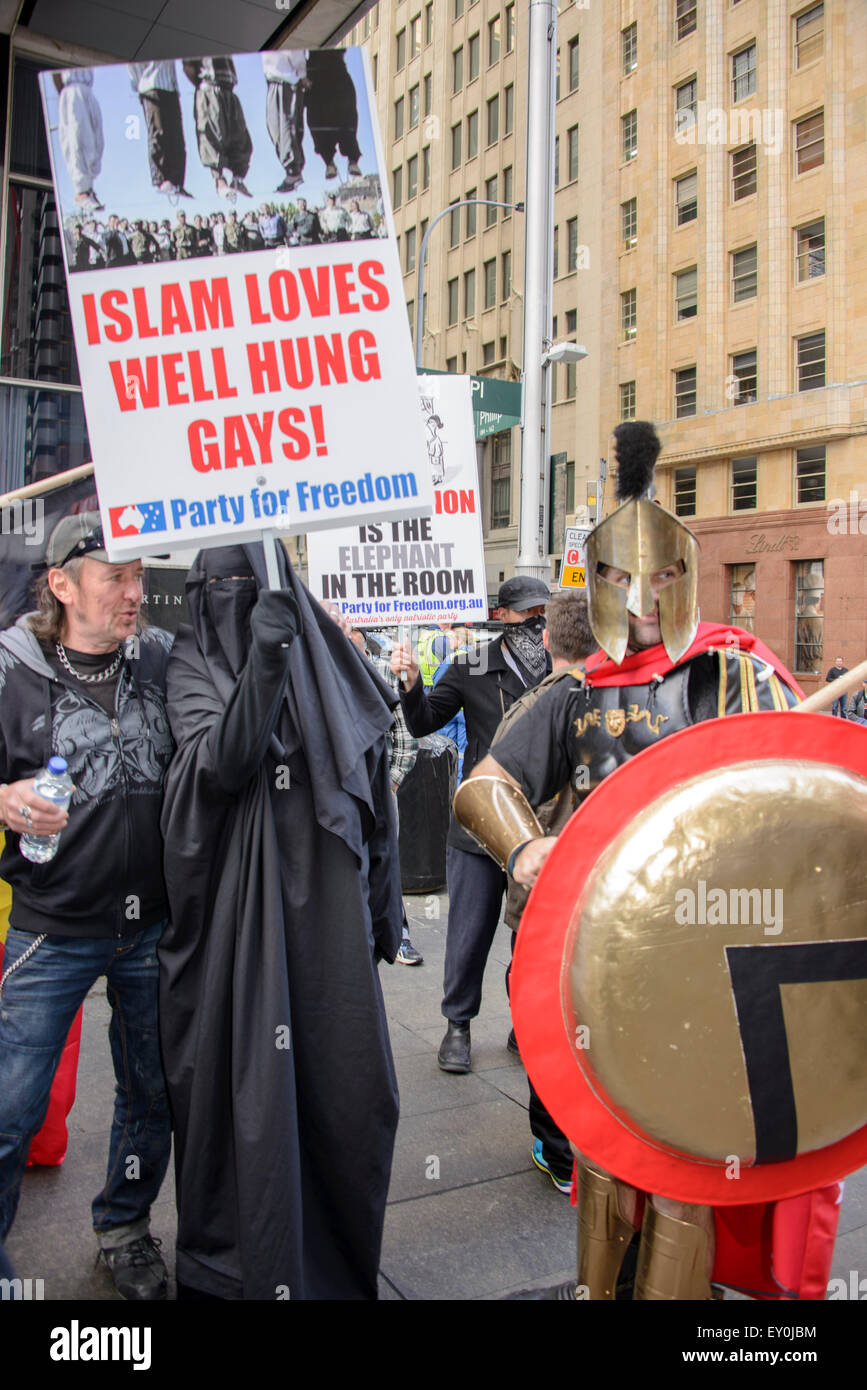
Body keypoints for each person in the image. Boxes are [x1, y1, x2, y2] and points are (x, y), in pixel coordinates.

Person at [457, 422, 839, 1301]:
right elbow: (482, 787)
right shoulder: (574, 692)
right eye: (621, 578)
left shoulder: (736, 676)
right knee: (604, 1154)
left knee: (684, 1157)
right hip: (605, 959)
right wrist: (524, 846)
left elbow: (803, 817)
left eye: (660, 575)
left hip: (713, 959)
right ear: (595, 584)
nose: (640, 596)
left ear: (684, 575)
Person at [159, 545, 402, 1299]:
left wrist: (383, 909)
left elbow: (373, 778)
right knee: (251, 1102)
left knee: (345, 1091)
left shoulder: (324, 652)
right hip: (237, 929)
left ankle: (332, 1267)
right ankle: (239, 1270)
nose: (234, 600)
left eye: (249, 585)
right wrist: (264, 659)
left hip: (329, 924)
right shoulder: (191, 661)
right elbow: (223, 762)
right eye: (222, 589)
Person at [0, 512, 174, 1300]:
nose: (135, 592)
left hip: (155, 926)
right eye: (116, 577)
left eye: (139, 576)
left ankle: (125, 1230)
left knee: (151, 1091)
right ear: (62, 585)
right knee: (11, 1105)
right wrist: (3, 798)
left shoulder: (162, 660)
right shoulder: (10, 671)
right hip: (52, 927)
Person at [391, 576, 551, 1072]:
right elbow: (424, 722)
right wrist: (412, 684)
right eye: (527, 612)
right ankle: (457, 1025)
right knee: (468, 932)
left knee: (534, 937)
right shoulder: (471, 664)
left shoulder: (561, 666)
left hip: (540, 826)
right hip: (480, 824)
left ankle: (526, 1024)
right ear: (501, 616)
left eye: (541, 612)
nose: (536, 622)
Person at [489, 591, 595, 1195]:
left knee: (547, 1025)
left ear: (549, 640)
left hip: (546, 904)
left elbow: (493, 797)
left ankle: (559, 1153)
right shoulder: (627, 700)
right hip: (606, 902)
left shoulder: (537, 707)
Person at [350, 629, 424, 967]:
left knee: (385, 863)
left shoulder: (382, 674)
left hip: (379, 790)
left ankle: (398, 933)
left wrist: (390, 784)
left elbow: (406, 737)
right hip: (341, 793)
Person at [182, 57, 252, 201]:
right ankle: (220, 181)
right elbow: (188, 65)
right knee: (212, 137)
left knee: (240, 136)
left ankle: (237, 180)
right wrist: (202, 86)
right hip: (209, 87)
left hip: (228, 87)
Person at [127, 60, 190, 200]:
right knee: (158, 134)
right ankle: (161, 179)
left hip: (170, 88)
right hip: (151, 85)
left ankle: (175, 182)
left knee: (177, 139)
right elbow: (131, 65)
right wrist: (141, 85)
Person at [305, 50, 362, 180]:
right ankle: (329, 162)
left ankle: (352, 159)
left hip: (337, 70)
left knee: (347, 116)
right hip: (315, 74)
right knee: (317, 120)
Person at [52, 69, 104, 213]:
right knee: (79, 139)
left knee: (96, 141)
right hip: (72, 87)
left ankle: (89, 189)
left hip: (87, 88)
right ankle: (81, 191)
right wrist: (65, 93)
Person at [261, 51, 308, 193]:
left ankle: (294, 171)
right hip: (273, 82)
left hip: (286, 82)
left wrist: (302, 75)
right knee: (274, 128)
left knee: (286, 128)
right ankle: (293, 170)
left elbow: (297, 53)